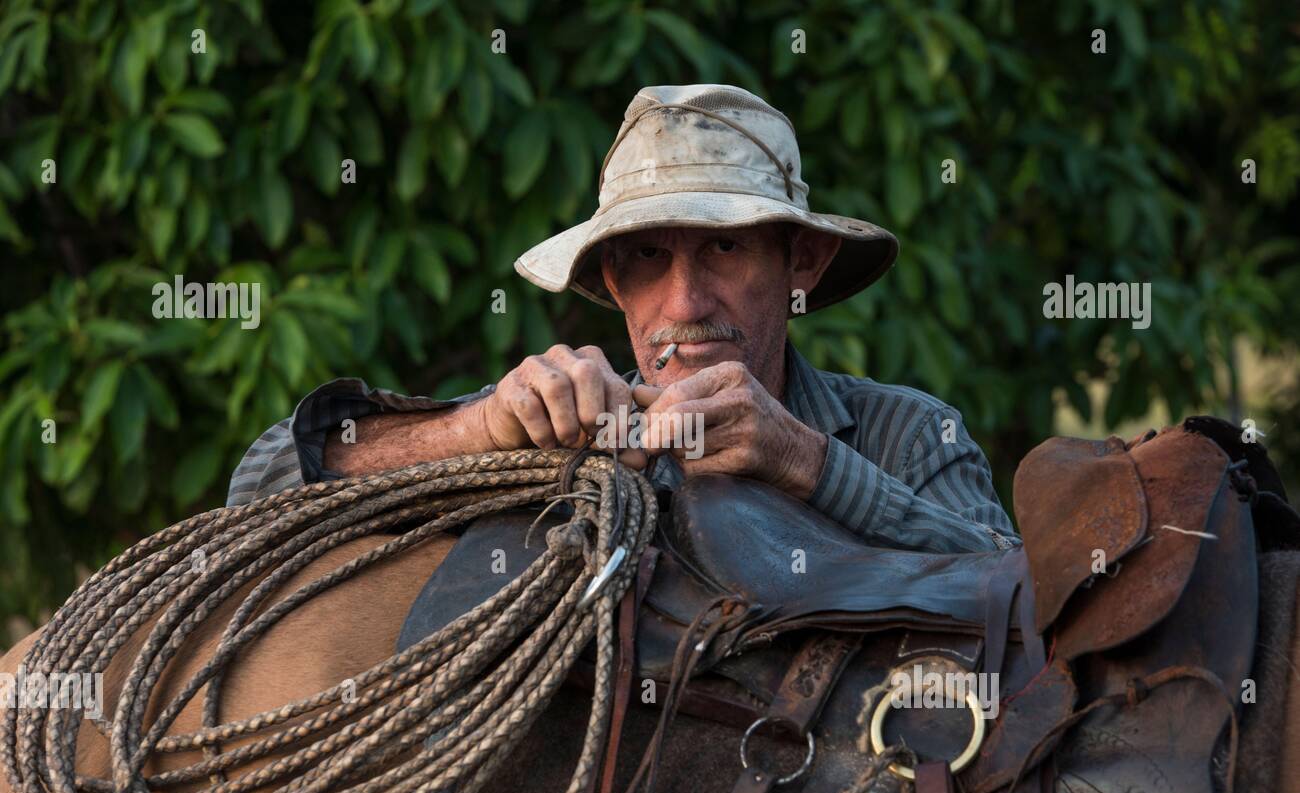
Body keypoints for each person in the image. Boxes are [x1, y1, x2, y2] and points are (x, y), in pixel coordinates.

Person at [227, 84, 1017, 553]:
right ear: (612, 279)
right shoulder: (551, 428)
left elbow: (1014, 593)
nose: (684, 304)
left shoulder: (907, 437)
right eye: (646, 259)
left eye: (723, 248)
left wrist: (805, 460)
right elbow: (258, 488)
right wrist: (476, 433)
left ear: (799, 264)